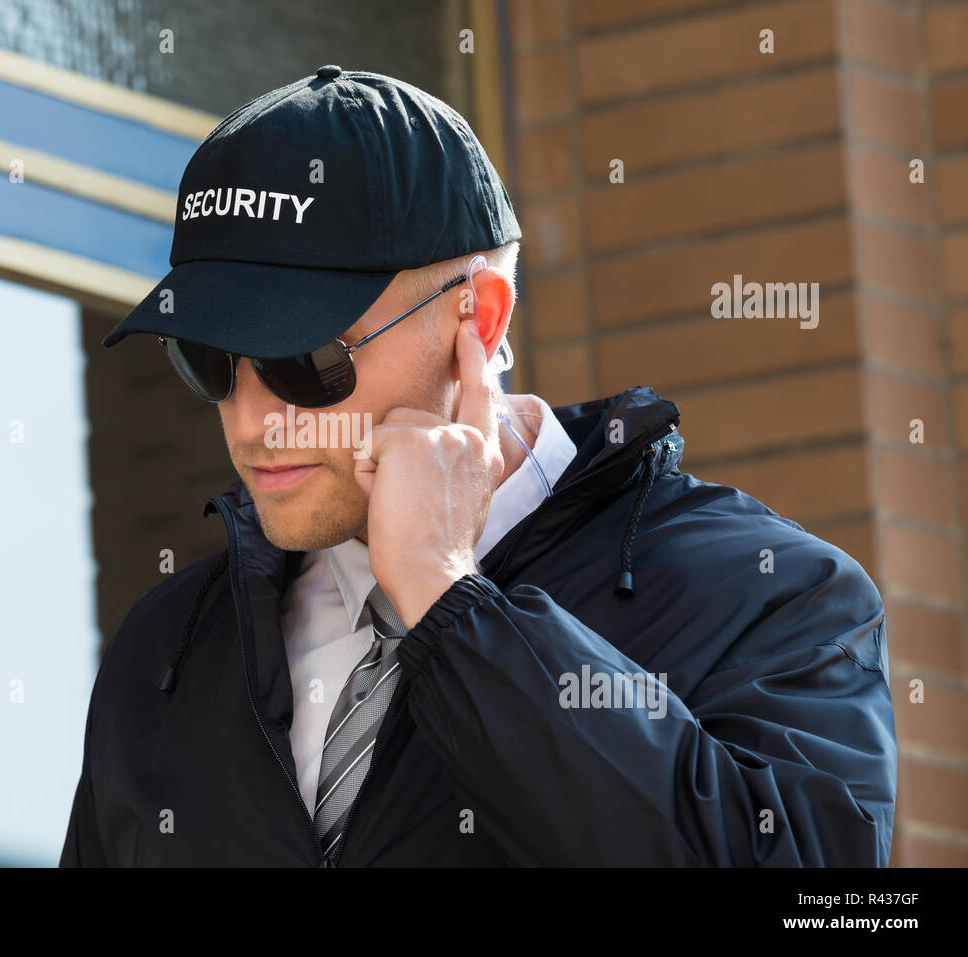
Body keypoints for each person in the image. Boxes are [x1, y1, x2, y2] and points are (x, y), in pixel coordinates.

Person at [59, 67, 897, 866]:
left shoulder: (770, 593)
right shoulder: (166, 651)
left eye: (301, 357)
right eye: (209, 357)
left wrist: (450, 602)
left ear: (480, 319)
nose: (251, 418)